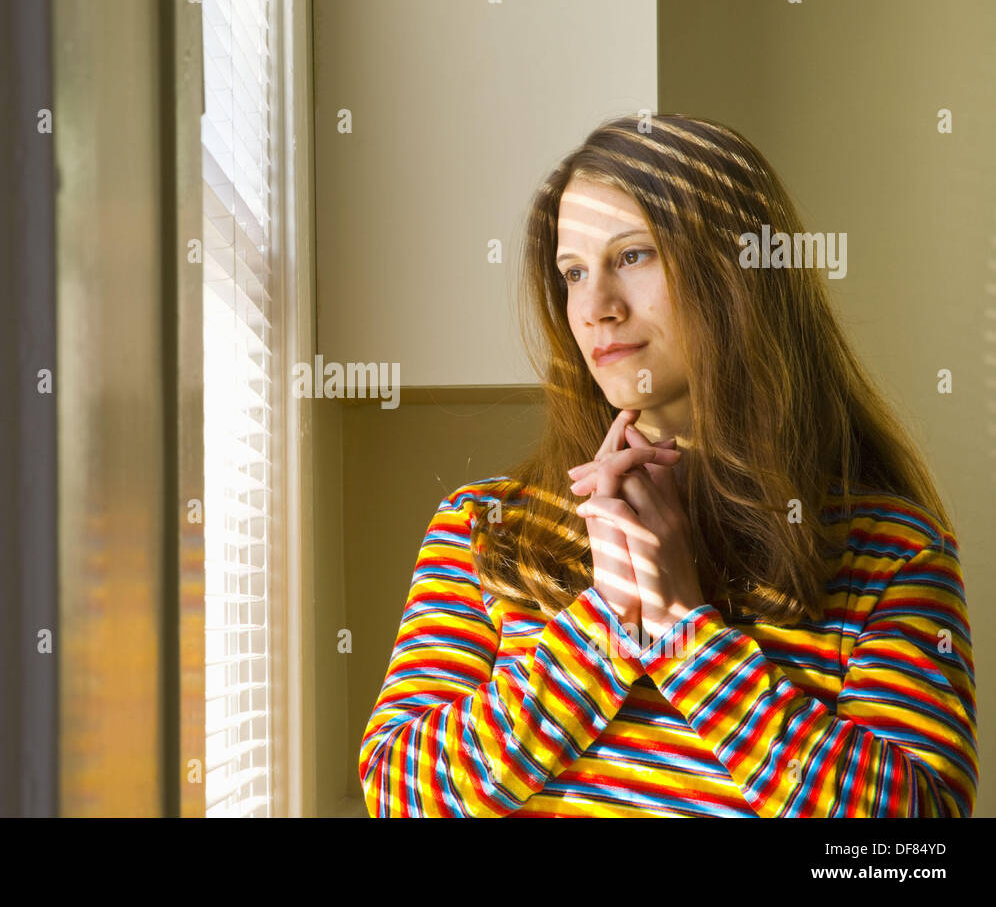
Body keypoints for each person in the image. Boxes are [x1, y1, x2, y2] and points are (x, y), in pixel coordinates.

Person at [357, 113, 978, 817]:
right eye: (572, 272)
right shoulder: (485, 530)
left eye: (633, 256)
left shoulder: (888, 554)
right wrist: (607, 621)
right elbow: (397, 795)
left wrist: (685, 629)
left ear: (738, 272)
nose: (594, 308)